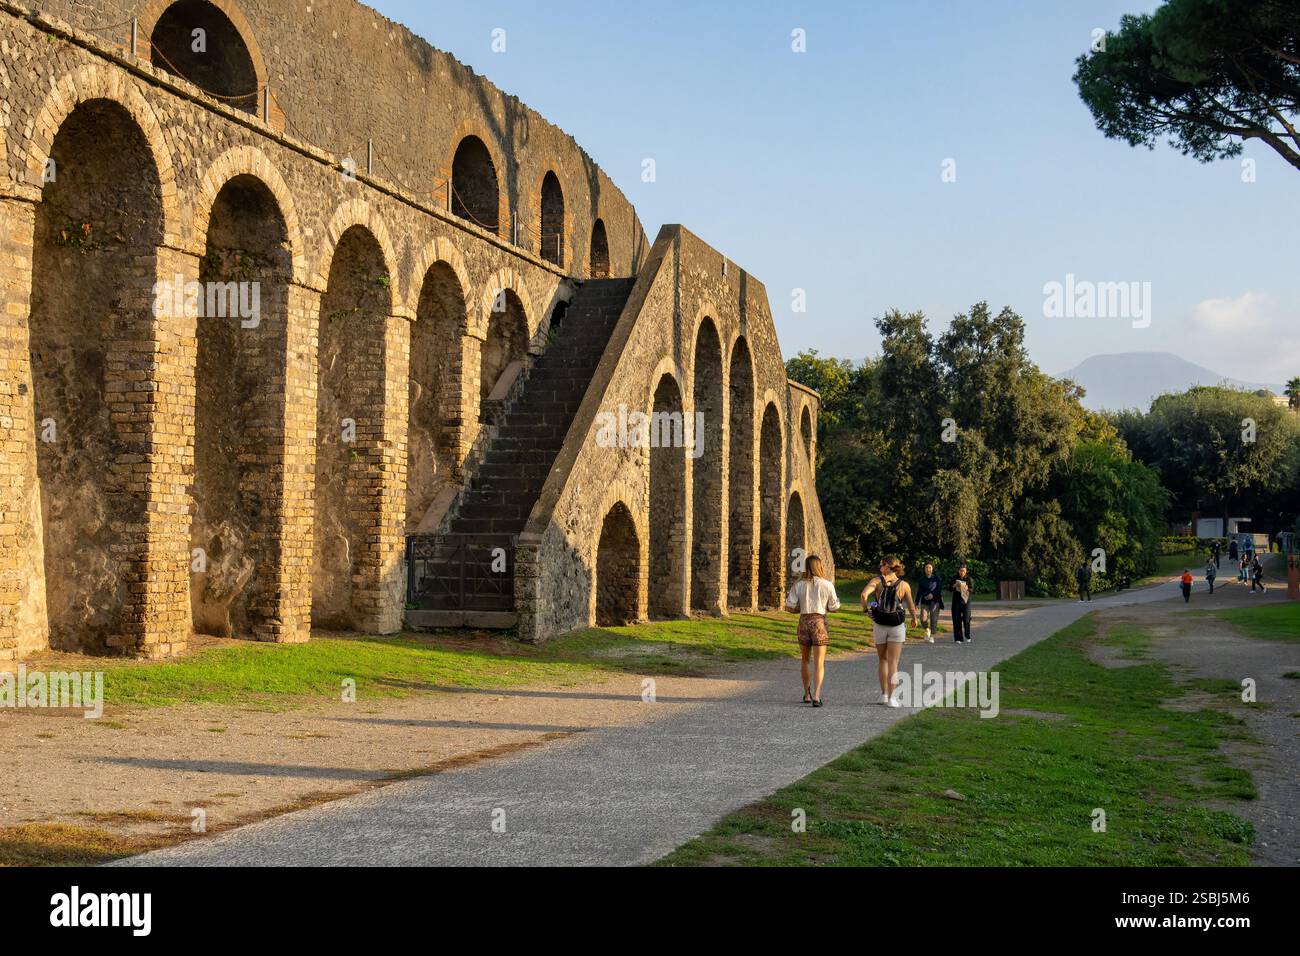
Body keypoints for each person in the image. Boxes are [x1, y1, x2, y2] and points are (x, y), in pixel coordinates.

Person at [861, 555, 918, 707]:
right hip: (897, 626)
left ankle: (884, 695)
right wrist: (914, 618)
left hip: (879, 625)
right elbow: (911, 605)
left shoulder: (877, 581)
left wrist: (866, 610)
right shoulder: (904, 585)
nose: (880, 568)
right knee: (893, 662)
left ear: (887, 566)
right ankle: (893, 698)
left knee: (882, 660)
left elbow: (863, 595)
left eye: (881, 565)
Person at [785, 554, 840, 707]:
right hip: (819, 622)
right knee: (819, 662)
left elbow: (789, 606)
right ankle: (817, 695)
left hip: (803, 621)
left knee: (805, 660)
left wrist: (801, 609)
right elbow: (835, 607)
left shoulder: (798, 584)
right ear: (819, 566)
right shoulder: (827, 585)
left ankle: (806, 693)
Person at [915, 562, 943, 642]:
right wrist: (916, 602)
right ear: (924, 569)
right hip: (925, 601)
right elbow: (919, 592)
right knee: (923, 619)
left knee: (933, 620)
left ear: (932, 569)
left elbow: (939, 590)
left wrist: (932, 594)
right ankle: (927, 630)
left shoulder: (937, 579)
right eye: (926, 567)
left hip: (935, 601)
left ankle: (932, 636)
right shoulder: (921, 579)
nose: (928, 569)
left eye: (930, 567)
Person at [950, 562, 973, 644]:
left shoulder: (969, 579)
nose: (962, 572)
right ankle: (958, 638)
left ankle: (967, 635)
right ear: (958, 571)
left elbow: (972, 589)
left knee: (966, 619)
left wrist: (967, 588)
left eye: (963, 570)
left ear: (966, 571)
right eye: (960, 570)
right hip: (956, 601)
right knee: (956, 619)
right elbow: (949, 588)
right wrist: (955, 585)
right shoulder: (954, 578)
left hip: (966, 601)